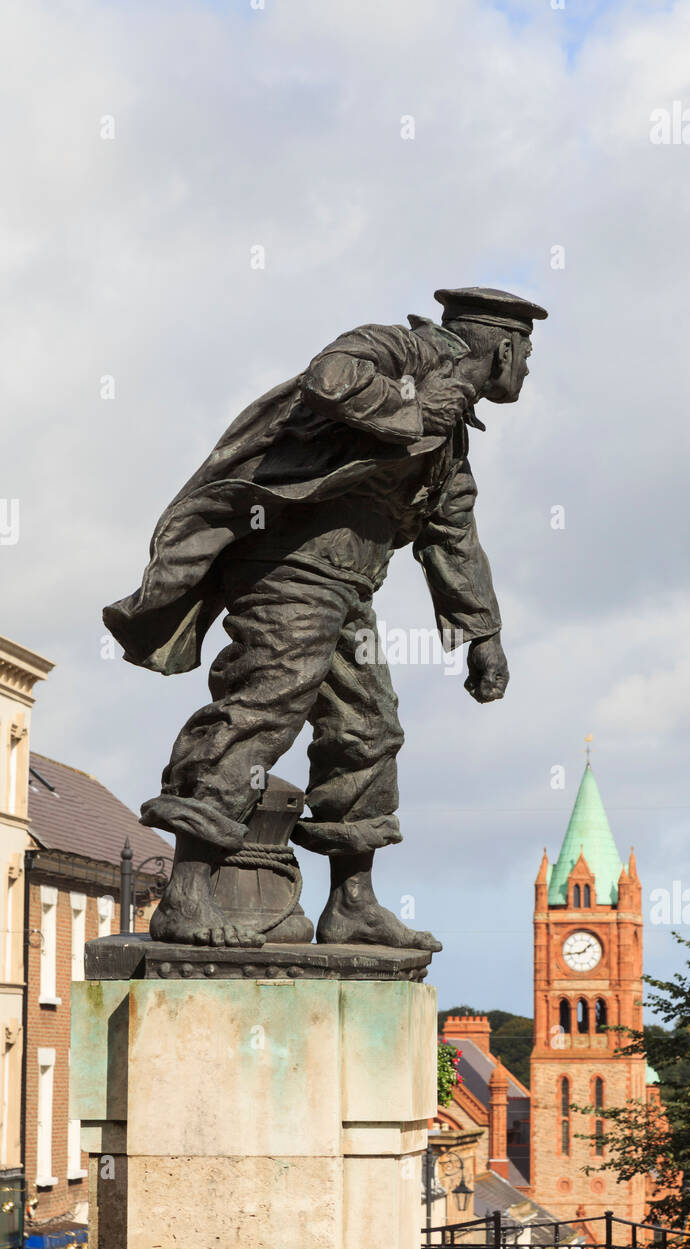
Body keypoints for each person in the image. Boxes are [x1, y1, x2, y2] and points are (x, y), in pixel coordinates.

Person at [104, 286, 547, 949]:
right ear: (506, 349)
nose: (527, 372)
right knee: (263, 708)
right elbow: (330, 378)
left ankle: (352, 902)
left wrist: (482, 634)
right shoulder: (403, 350)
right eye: (527, 356)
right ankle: (185, 895)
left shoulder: (452, 439)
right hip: (290, 568)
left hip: (351, 588)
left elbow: (453, 535)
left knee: (368, 729)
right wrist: (417, 407)